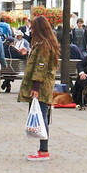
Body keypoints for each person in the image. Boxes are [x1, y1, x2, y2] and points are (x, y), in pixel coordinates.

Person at [19, 14, 61, 161]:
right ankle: (43, 149)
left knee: (42, 117)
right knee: (42, 116)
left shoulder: (43, 44)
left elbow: (40, 67)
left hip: (41, 87)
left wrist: (35, 86)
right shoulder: (45, 43)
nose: (30, 29)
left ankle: (44, 150)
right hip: (44, 85)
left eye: (33, 27)